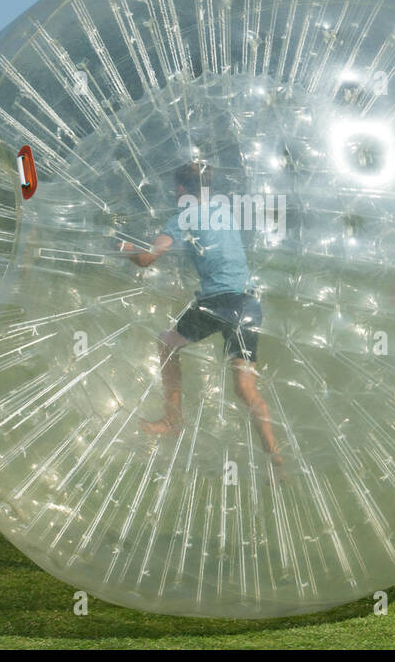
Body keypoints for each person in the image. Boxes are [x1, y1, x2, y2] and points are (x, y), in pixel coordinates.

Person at [119, 162, 283, 478]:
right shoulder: (226, 210)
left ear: (181, 190)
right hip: (248, 303)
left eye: (175, 189)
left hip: (217, 303)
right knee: (246, 387)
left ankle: (172, 420)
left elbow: (145, 259)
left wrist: (120, 245)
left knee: (167, 344)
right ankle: (276, 457)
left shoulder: (183, 217)